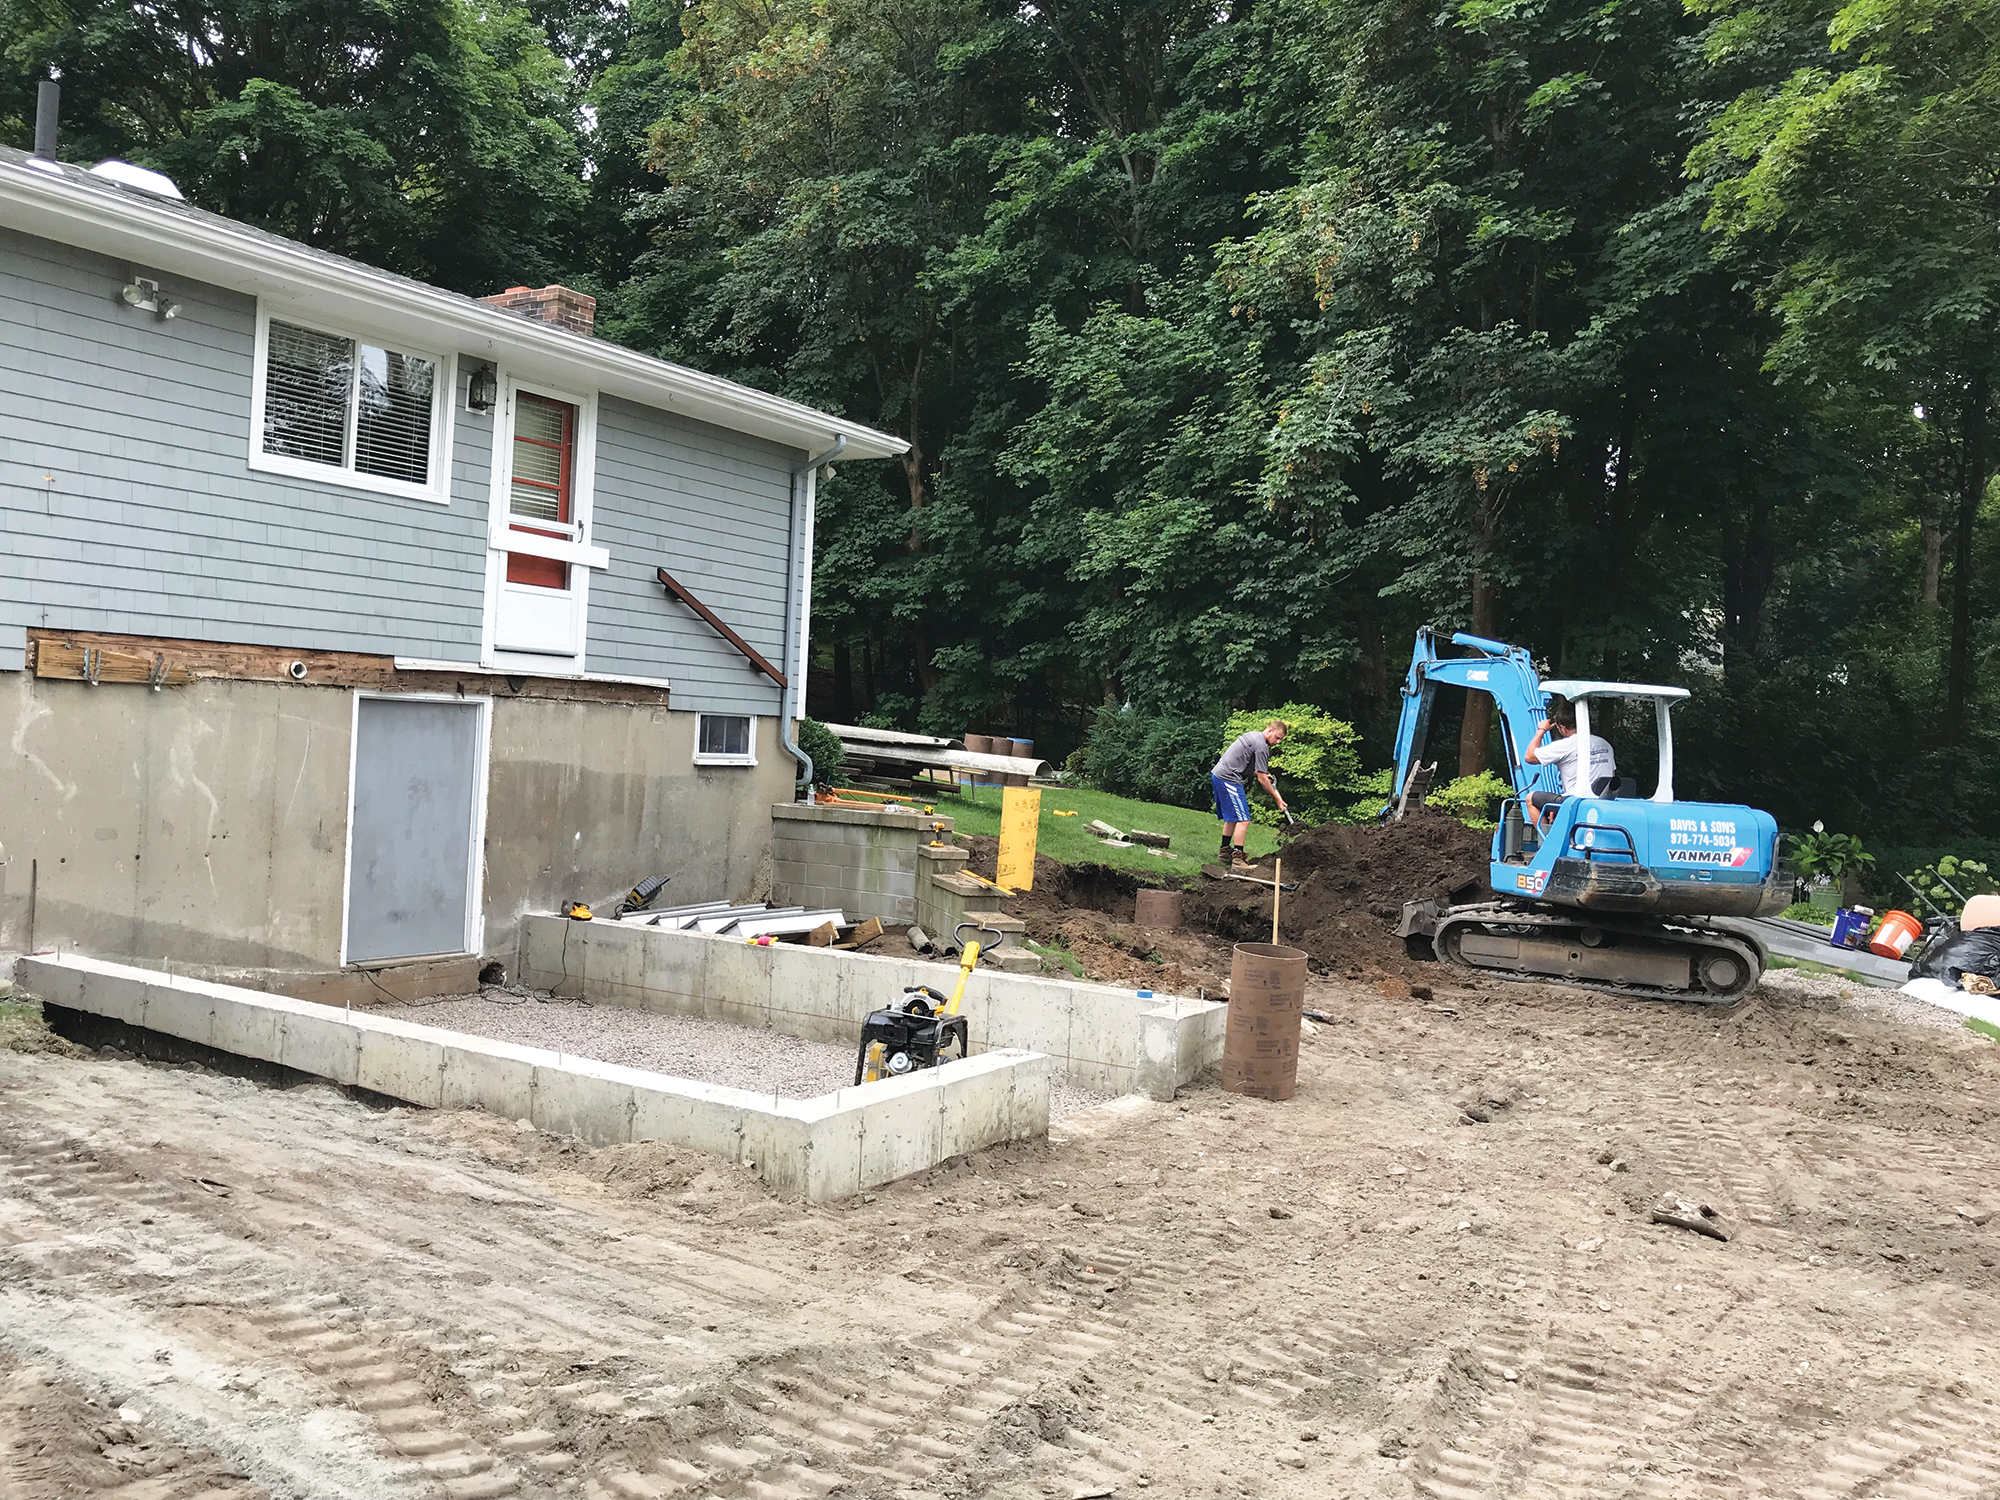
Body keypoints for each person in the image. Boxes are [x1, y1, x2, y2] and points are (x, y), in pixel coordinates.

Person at [1521, 699, 1615, 825]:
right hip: (1604, 800)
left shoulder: (1565, 745)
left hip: (1575, 801)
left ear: (1562, 728)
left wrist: (1541, 730)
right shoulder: (1605, 744)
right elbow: (1612, 773)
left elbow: (1529, 757)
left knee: (1530, 799)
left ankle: (1546, 840)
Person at [1211, 721, 1289, 870]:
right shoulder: (1261, 747)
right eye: (1277, 737)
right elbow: (1261, 778)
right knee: (1244, 819)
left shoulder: (1253, 737)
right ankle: (1237, 860)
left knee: (1233, 818)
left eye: (1280, 740)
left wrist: (1264, 776)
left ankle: (1224, 853)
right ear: (1270, 730)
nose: (1277, 742)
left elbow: (1247, 768)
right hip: (1229, 778)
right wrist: (1278, 799)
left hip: (1219, 774)